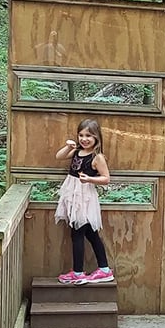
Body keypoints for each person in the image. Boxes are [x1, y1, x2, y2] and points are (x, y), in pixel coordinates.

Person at [54, 119, 114, 284]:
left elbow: (106, 178)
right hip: (72, 195)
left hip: (84, 197)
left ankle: (78, 273)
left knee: (77, 233)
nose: (84, 139)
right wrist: (68, 147)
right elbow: (58, 156)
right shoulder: (77, 151)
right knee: (90, 233)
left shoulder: (97, 157)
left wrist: (89, 179)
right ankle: (104, 270)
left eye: (88, 136)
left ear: (96, 137)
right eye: (81, 135)